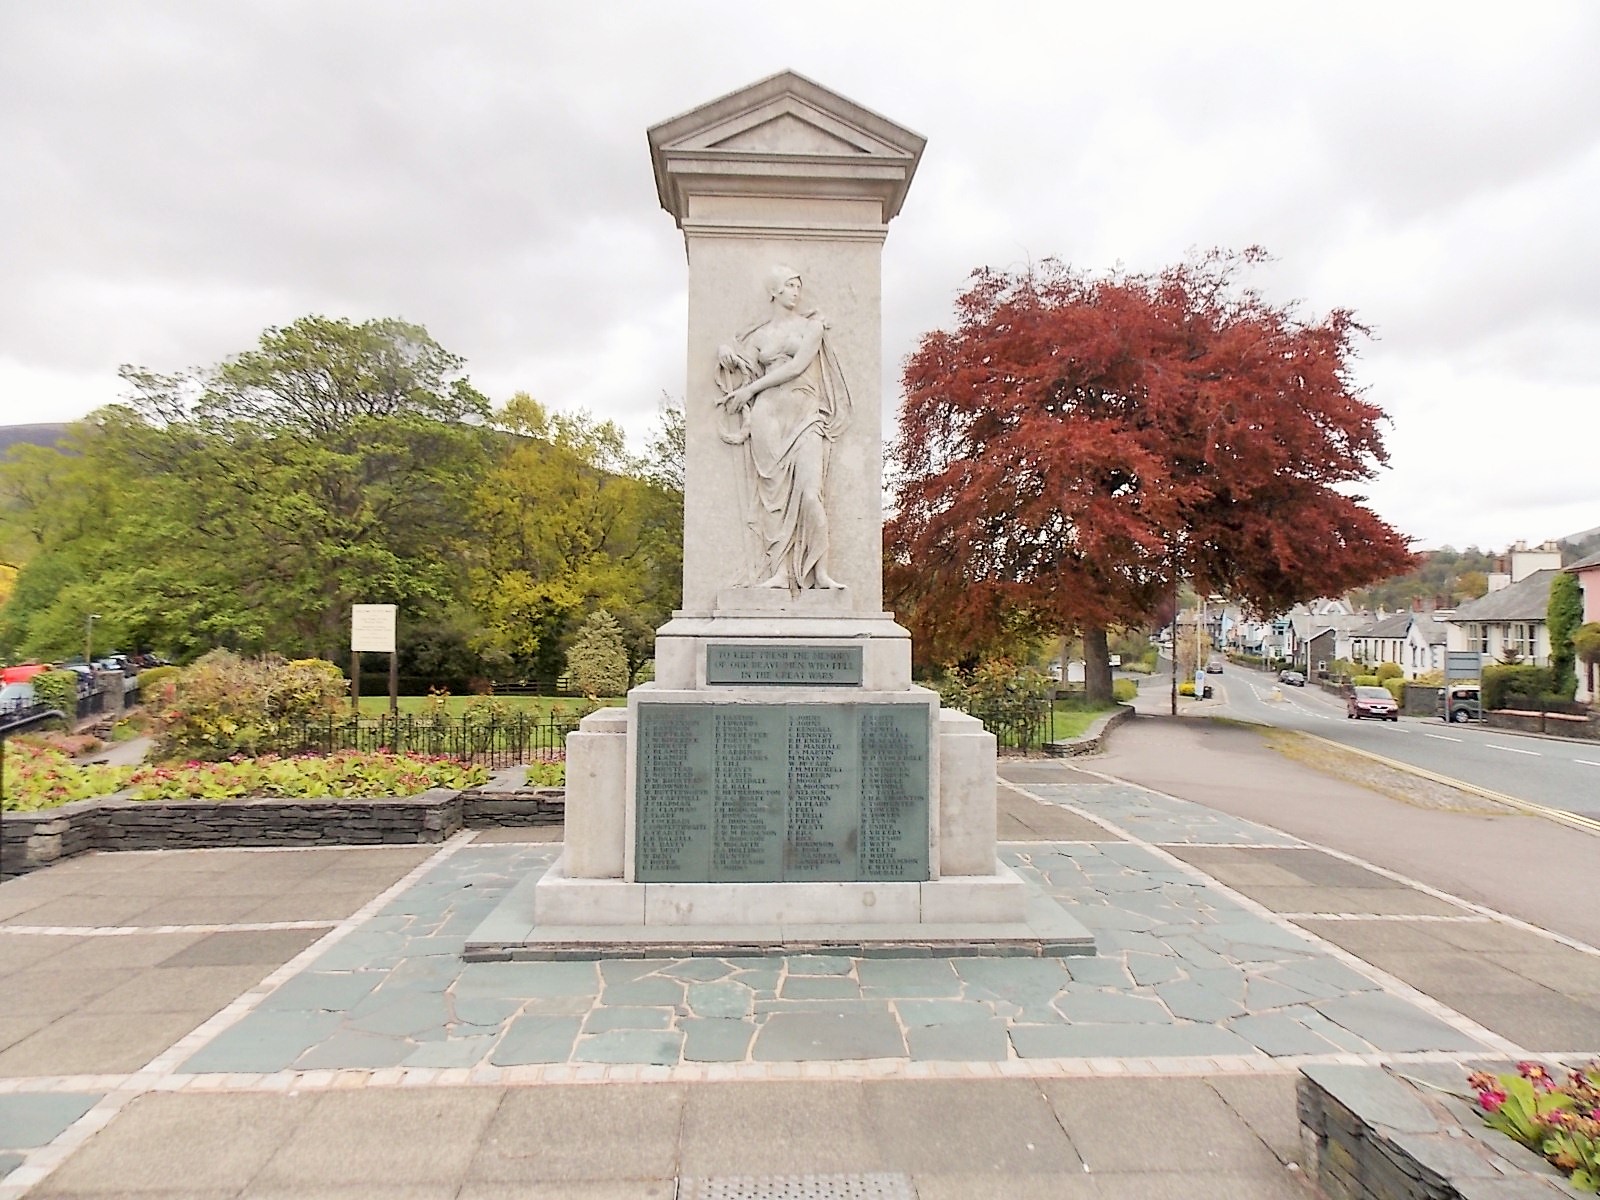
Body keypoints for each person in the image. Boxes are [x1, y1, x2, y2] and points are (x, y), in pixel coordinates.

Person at [715, 265, 851, 590]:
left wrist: (750, 390)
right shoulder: (759, 336)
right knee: (771, 496)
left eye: (798, 286)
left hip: (805, 415)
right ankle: (779, 572)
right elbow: (743, 365)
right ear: (774, 290)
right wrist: (727, 355)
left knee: (810, 493)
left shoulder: (812, 328)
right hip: (768, 416)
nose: (796, 292)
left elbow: (796, 366)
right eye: (789, 285)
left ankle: (819, 573)